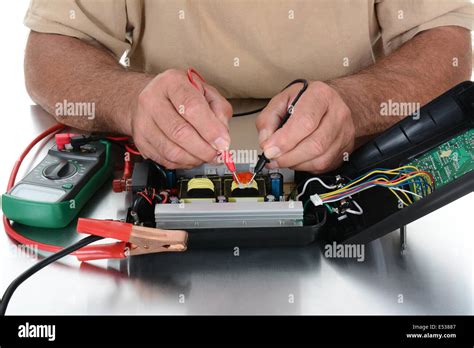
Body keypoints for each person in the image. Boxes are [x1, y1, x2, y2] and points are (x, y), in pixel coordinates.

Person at [24, 0, 473, 172]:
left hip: (353, 167)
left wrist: (355, 106)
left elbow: (446, 42)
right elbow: (51, 48)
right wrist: (129, 102)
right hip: (157, 168)